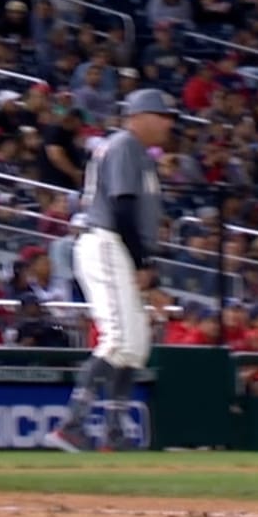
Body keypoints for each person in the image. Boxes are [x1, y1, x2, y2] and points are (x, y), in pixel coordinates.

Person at [45, 88, 175, 453]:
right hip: (105, 240)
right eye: (162, 116)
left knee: (135, 347)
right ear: (139, 116)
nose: (168, 123)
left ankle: (113, 435)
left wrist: (149, 275)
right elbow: (121, 209)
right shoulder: (124, 145)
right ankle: (71, 426)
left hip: (118, 246)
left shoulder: (137, 152)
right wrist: (143, 265)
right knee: (118, 339)